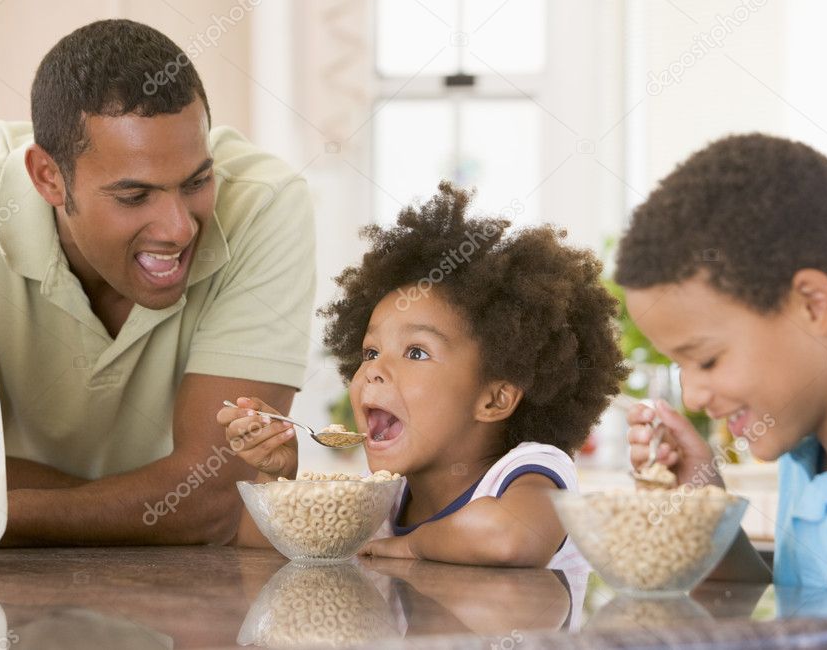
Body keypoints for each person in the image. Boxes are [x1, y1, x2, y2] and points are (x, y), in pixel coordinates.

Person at [0, 20, 316, 546]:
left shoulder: (266, 203)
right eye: (134, 196)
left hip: (178, 600)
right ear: (48, 177)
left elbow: (212, 499)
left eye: (197, 182)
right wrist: (154, 500)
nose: (179, 228)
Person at [221, 181, 628, 567]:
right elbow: (261, 550)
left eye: (416, 352)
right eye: (370, 351)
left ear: (494, 399)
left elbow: (511, 538)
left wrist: (412, 545)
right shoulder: (385, 495)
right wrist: (276, 475)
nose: (374, 370)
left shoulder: (528, 473)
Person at [615, 133, 827, 649]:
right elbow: (792, 614)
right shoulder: (816, 441)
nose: (693, 397)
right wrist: (706, 508)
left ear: (812, 304)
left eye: (707, 359)